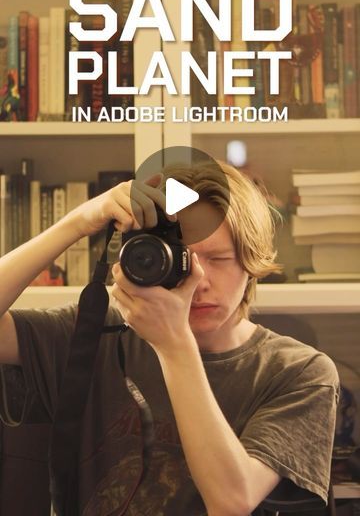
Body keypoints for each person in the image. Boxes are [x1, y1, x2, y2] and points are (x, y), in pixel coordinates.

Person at [0, 161, 339, 516]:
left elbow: (231, 502)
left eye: (219, 258)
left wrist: (173, 344)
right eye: (182, 258)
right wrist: (78, 222)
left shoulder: (298, 373)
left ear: (250, 263)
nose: (200, 279)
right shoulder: (95, 336)